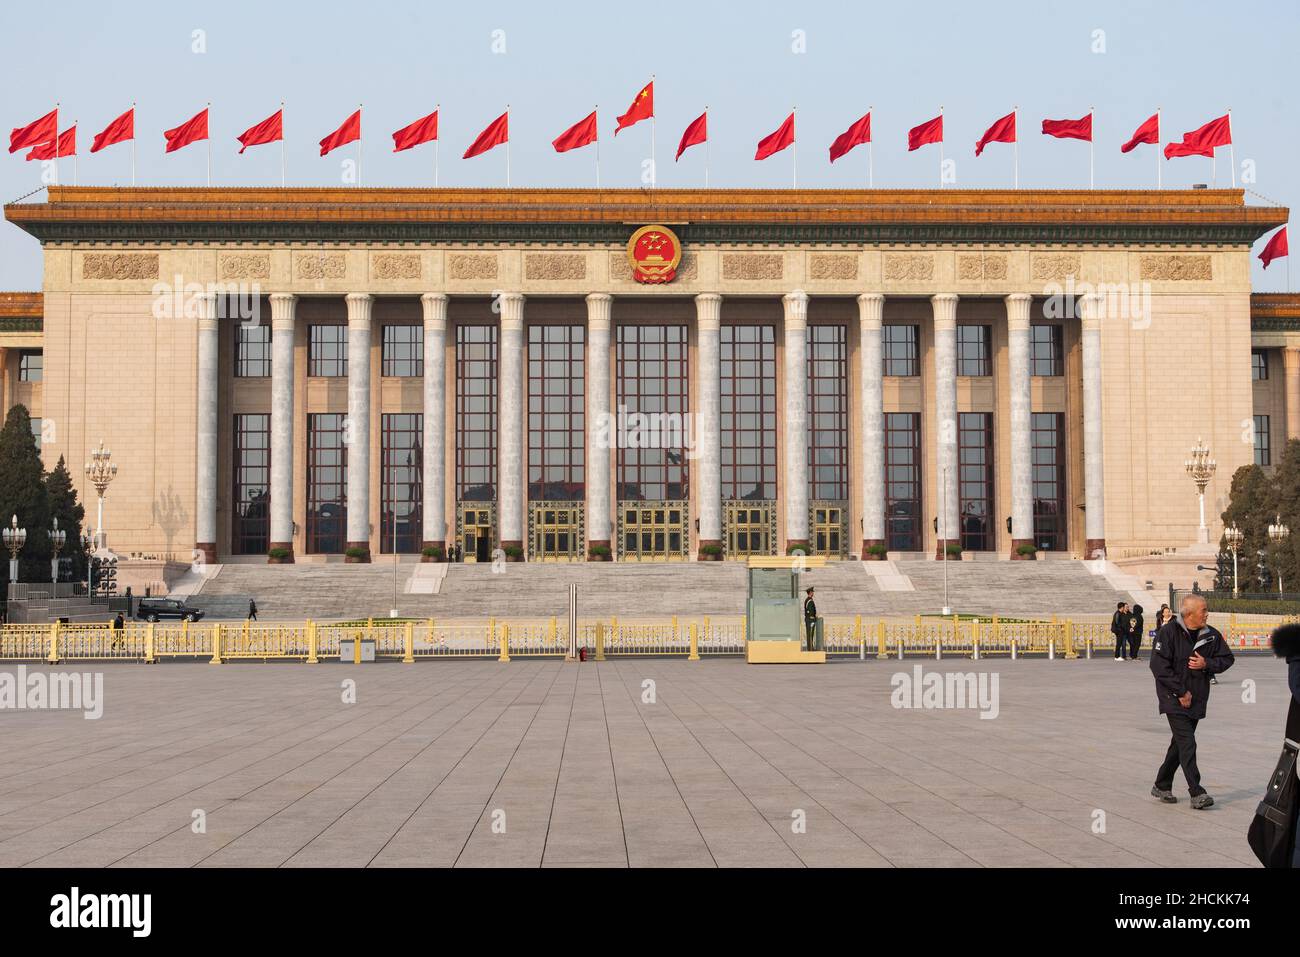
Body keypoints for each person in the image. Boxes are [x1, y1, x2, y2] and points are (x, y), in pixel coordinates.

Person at [1149, 594, 1235, 808]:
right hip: (1173, 698)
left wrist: (1207, 663)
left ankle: (1161, 784)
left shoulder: (1211, 635)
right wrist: (1180, 692)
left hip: (1197, 698)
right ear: (1188, 614)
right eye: (1203, 610)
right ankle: (1197, 792)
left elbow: (1227, 659)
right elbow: (1158, 666)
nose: (1207, 614)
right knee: (1188, 742)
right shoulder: (1167, 633)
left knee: (1179, 744)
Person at [803, 586, 818, 651]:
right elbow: (810, 611)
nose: (813, 593)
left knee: (810, 634)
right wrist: (813, 617)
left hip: (810, 619)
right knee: (810, 634)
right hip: (810, 620)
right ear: (810, 592)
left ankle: (811, 648)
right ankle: (810, 648)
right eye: (812, 592)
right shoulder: (809, 601)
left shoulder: (809, 600)